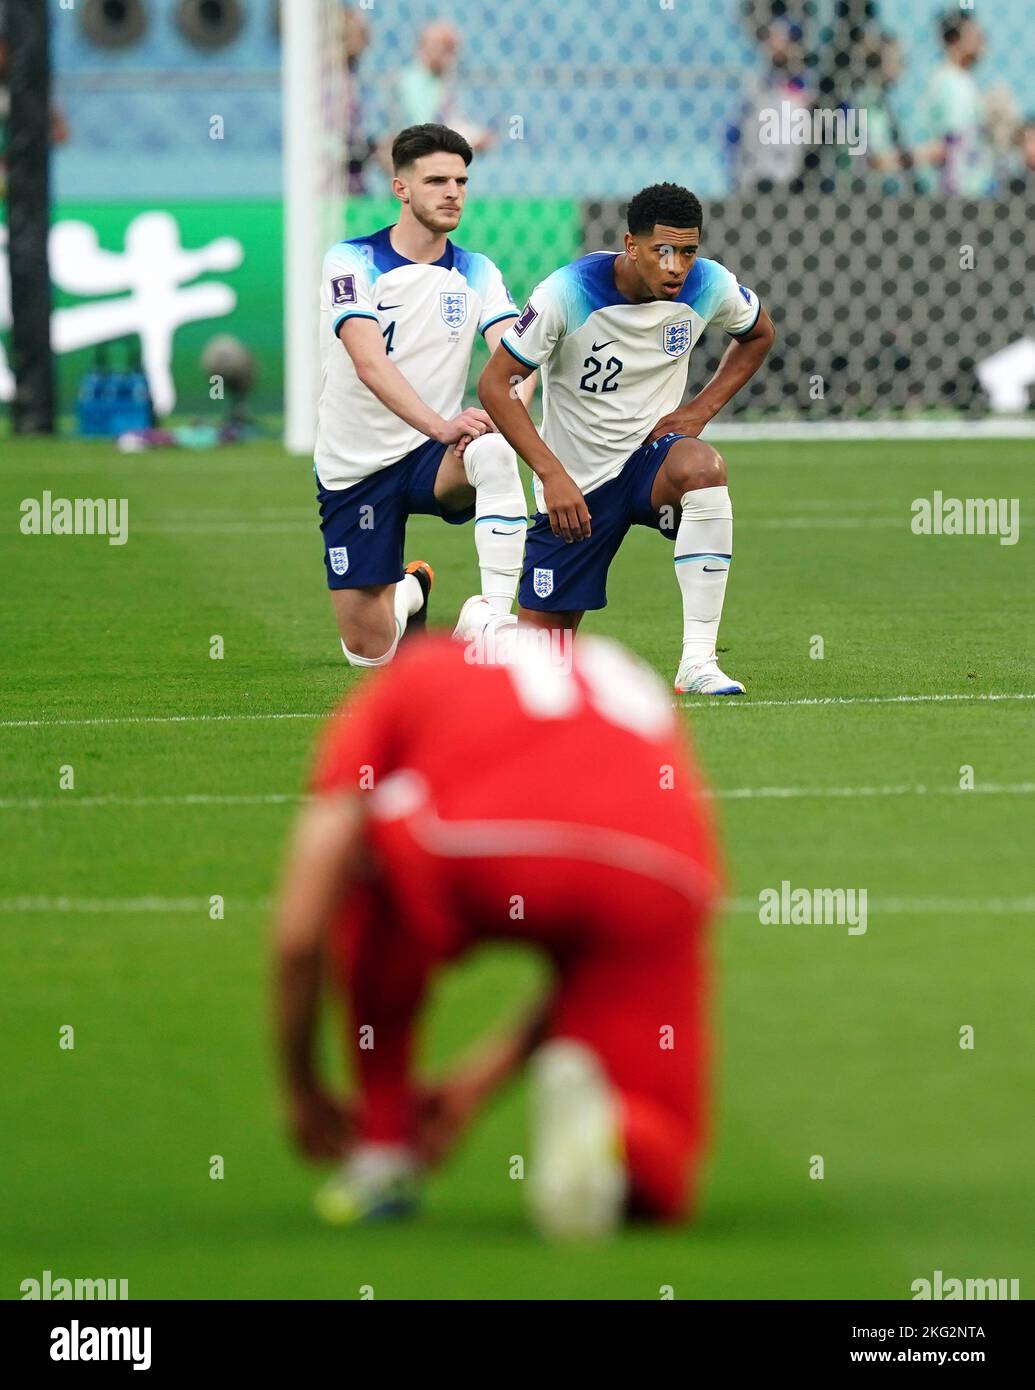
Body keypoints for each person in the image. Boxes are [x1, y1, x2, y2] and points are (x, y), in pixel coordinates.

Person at [273, 632, 722, 1237]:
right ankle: (618, 1139)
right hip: (664, 874)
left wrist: (301, 1087)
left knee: (367, 853)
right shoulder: (614, 664)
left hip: (478, 847)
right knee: (661, 1156)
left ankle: (384, 1149)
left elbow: (301, 928)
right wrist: (479, 1083)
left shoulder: (412, 673)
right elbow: (584, 950)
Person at [472, 182, 775, 696]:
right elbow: (494, 385)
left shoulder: (709, 283)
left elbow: (758, 333)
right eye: (663, 250)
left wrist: (699, 410)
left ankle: (698, 660)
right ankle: (487, 626)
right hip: (576, 489)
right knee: (542, 673)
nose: (676, 266)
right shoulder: (565, 293)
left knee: (704, 471)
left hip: (649, 464)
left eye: (687, 251)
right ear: (631, 246)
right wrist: (551, 474)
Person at [314, 123, 531, 667]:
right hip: (355, 466)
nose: (453, 192)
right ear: (401, 189)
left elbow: (518, 360)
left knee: (495, 451)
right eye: (436, 180)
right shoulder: (350, 261)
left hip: (433, 459)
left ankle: (493, 617)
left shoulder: (478, 271)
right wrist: (442, 423)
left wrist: (510, 413)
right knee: (372, 654)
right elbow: (368, 362)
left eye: (461, 180)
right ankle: (411, 590)